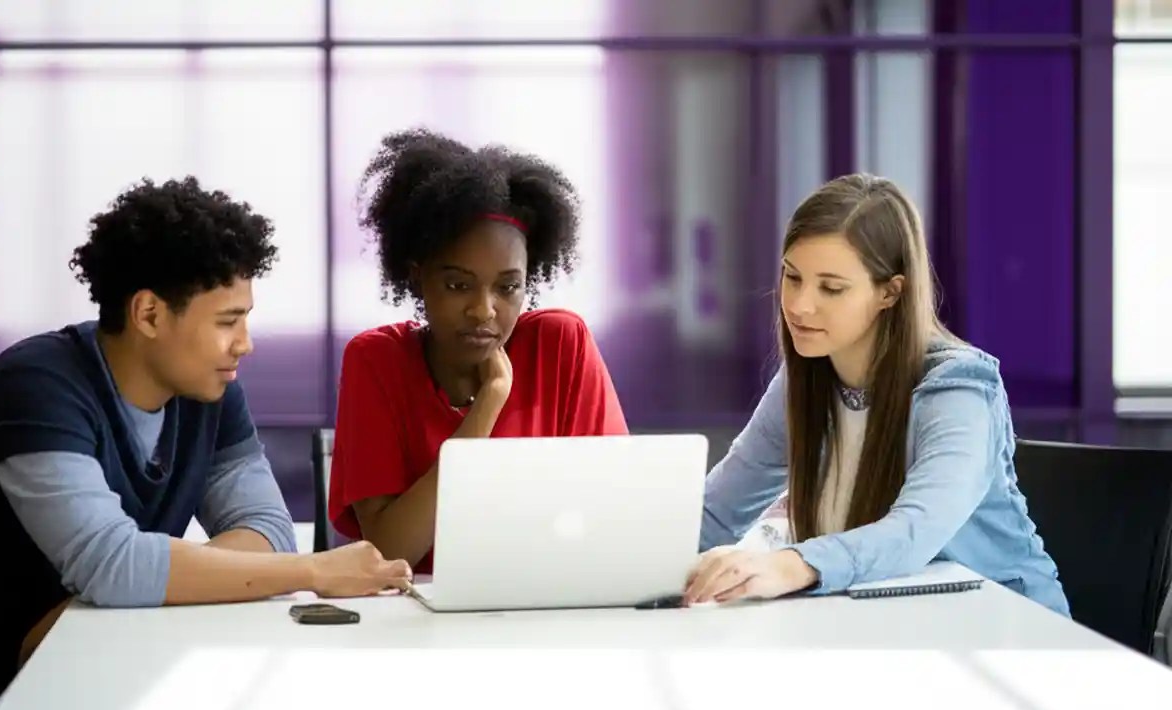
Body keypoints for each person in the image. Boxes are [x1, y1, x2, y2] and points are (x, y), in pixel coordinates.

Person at [0, 177, 411, 710]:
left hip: (124, 651)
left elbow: (269, 530)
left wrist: (149, 576)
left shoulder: (207, 387)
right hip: (10, 684)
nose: (245, 343)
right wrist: (313, 571)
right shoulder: (34, 388)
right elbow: (113, 564)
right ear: (150, 314)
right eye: (228, 321)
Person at [688, 174, 1068, 615]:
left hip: (1009, 628)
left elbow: (915, 530)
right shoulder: (803, 378)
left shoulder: (960, 388)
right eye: (792, 277)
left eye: (831, 288)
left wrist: (790, 565)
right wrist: (616, 564)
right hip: (884, 624)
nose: (799, 305)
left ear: (890, 292)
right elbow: (718, 512)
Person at [328, 129, 629, 574]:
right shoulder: (376, 360)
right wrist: (488, 403)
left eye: (508, 287)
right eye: (457, 285)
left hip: (550, 605)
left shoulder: (561, 344)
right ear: (417, 277)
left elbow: (617, 515)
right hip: (410, 619)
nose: (484, 310)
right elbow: (391, 551)